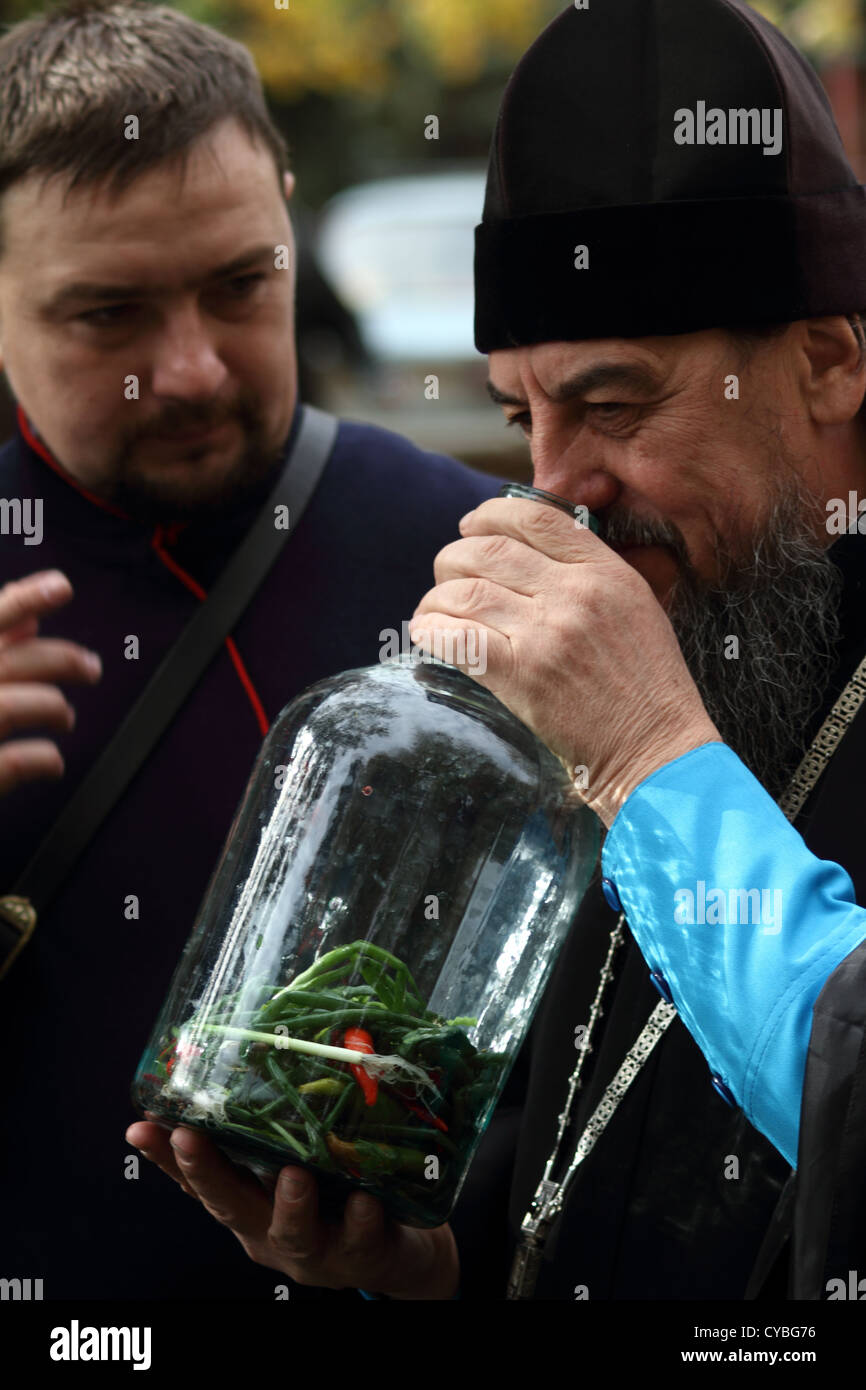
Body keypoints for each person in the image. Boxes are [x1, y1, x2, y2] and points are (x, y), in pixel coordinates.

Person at [130, 0, 866, 1303]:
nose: (557, 487)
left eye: (612, 402)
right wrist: (433, 1266)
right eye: (522, 414)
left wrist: (647, 753)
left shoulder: (648, 707)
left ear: (824, 360)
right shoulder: (677, 639)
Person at [0, 0, 499, 1301]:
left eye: (240, 286)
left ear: (288, 221)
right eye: (105, 315)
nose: (192, 370)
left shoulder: (478, 553)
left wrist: (444, 1265)